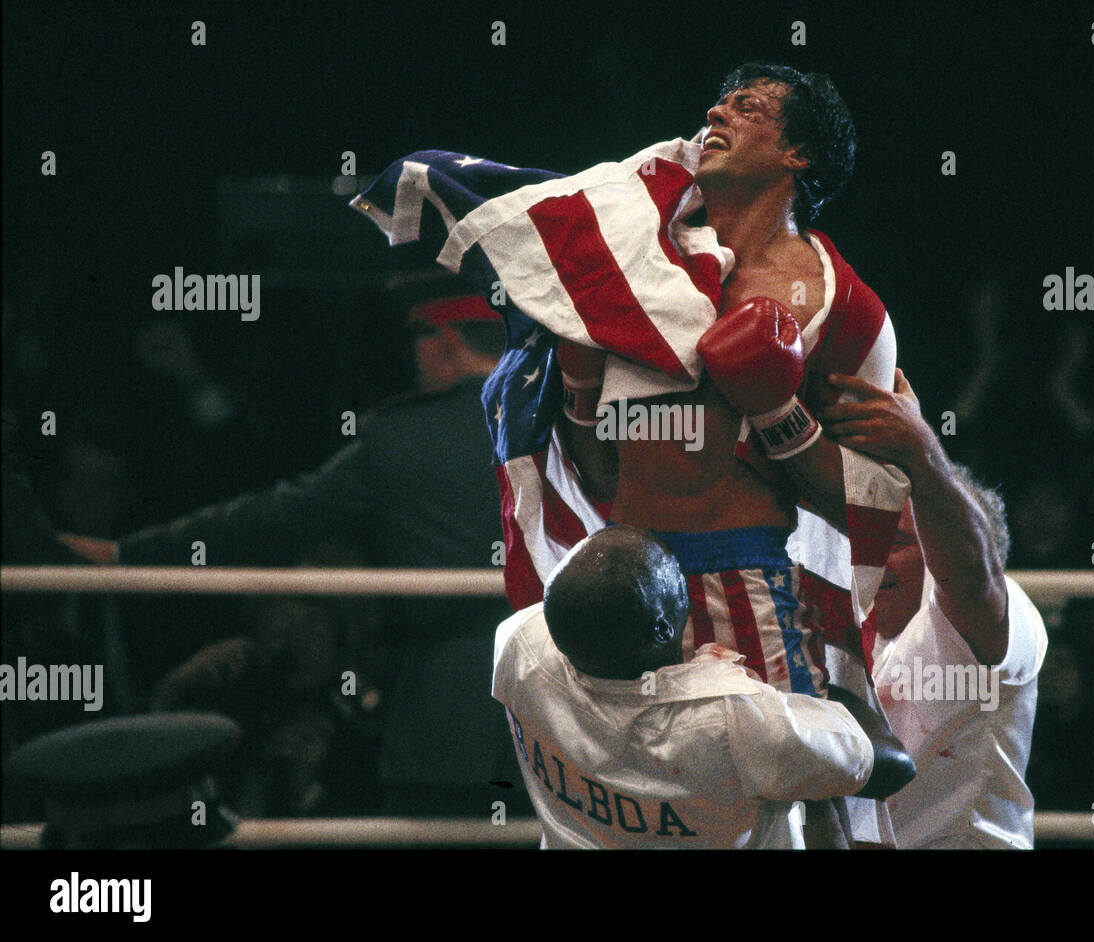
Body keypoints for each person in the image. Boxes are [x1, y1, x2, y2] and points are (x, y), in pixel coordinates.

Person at [554, 62, 904, 845]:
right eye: (719, 100)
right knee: (625, 803)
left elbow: (866, 501)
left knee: (807, 808)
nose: (717, 110)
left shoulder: (847, 309)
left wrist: (777, 411)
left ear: (797, 156)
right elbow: (601, 468)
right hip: (622, 568)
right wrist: (579, 386)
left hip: (738, 572)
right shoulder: (640, 264)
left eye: (748, 108)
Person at [56, 282, 527, 818]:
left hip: (448, 719)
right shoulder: (568, 421)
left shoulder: (401, 437)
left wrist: (126, 555)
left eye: (416, 338)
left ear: (441, 340)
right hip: (570, 708)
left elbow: (271, 517)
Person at [492, 525, 915, 848]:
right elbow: (894, 766)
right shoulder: (733, 718)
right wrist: (813, 690)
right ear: (661, 626)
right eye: (672, 569)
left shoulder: (519, 643)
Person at [822, 368, 1049, 848]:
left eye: (896, 542)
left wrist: (921, 455)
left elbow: (972, 579)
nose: (871, 557)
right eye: (864, 539)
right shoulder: (843, 619)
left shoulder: (1000, 610)